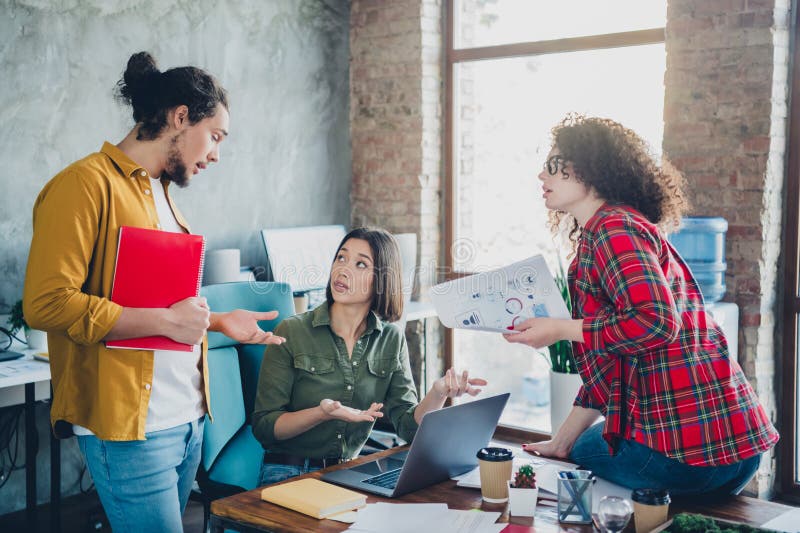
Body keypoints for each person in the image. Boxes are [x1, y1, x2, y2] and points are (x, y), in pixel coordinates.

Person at [23, 52, 285, 532]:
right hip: (130, 427)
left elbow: (161, 307)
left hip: (185, 416)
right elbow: (46, 303)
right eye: (216, 136)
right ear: (180, 117)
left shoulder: (162, 193)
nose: (216, 154)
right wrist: (167, 322)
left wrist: (220, 321)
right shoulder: (83, 185)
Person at [504, 115, 778, 497]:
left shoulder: (613, 230)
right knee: (583, 442)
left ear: (591, 171)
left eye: (554, 166)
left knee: (591, 448)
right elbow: (615, 361)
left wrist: (561, 328)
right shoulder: (615, 229)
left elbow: (656, 322)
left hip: (693, 461)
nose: (541, 176)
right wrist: (560, 442)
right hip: (736, 449)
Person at [252, 227, 487, 485]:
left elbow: (409, 428)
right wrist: (322, 413)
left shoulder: (391, 339)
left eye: (360, 264)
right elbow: (265, 428)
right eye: (341, 258)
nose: (343, 269)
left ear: (382, 280)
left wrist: (438, 393)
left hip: (348, 474)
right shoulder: (292, 331)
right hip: (288, 472)